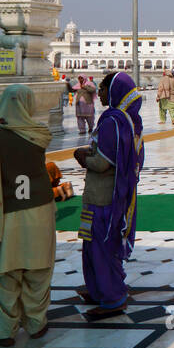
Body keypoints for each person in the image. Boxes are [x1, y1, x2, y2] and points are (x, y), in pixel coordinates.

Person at [0, 84, 56, 346]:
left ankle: (5, 331)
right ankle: (36, 324)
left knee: (4, 274)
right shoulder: (39, 134)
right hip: (38, 211)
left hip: (1, 214)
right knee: (37, 271)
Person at [74, 71, 144, 318]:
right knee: (94, 243)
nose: (100, 93)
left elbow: (104, 162)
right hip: (111, 193)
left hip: (105, 195)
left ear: (114, 91)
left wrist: (83, 157)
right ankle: (98, 289)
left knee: (102, 246)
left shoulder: (113, 120)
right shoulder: (130, 119)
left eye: (103, 88)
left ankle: (113, 297)